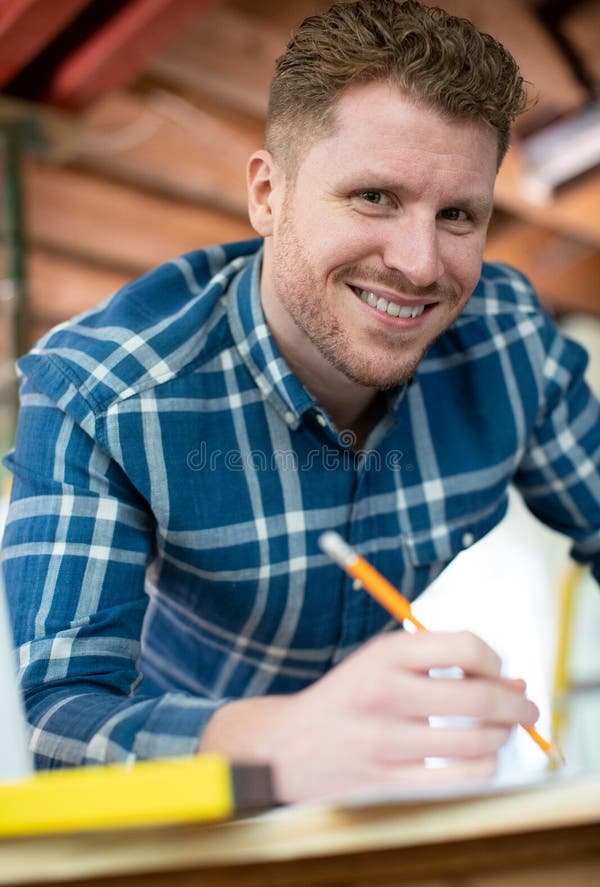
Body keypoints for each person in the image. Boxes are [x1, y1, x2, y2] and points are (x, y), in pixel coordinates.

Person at [2, 0, 599, 804]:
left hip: (359, 805)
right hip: (172, 800)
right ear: (267, 194)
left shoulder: (511, 343)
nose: (421, 266)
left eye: (457, 215)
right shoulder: (102, 392)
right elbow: (42, 724)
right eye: (374, 198)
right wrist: (281, 740)